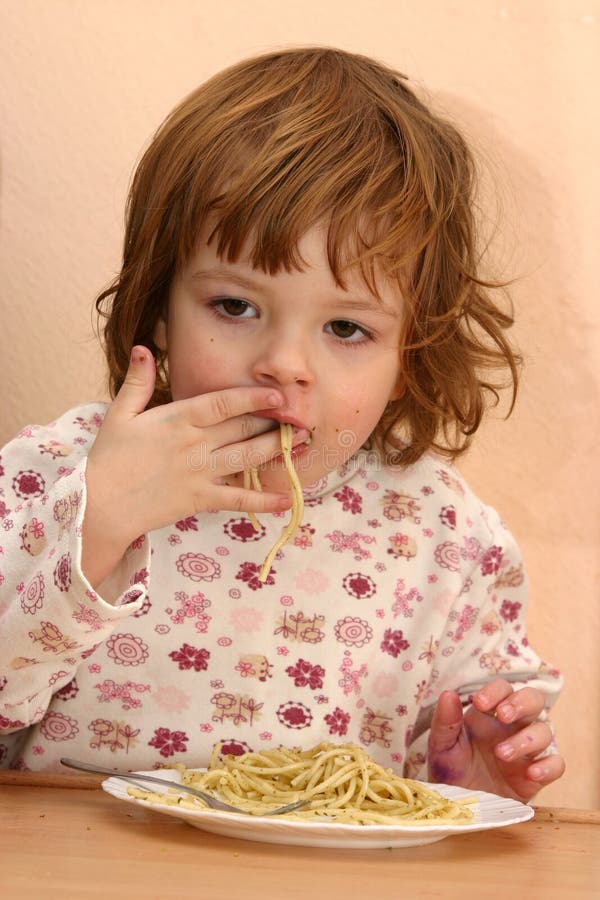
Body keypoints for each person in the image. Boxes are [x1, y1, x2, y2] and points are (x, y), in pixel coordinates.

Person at [0, 46, 564, 800]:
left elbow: (450, 775)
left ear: (411, 348)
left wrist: (472, 775)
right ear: (160, 307)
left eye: (346, 330)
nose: (284, 365)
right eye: (235, 307)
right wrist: (93, 526)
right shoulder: (57, 473)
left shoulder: (442, 534)